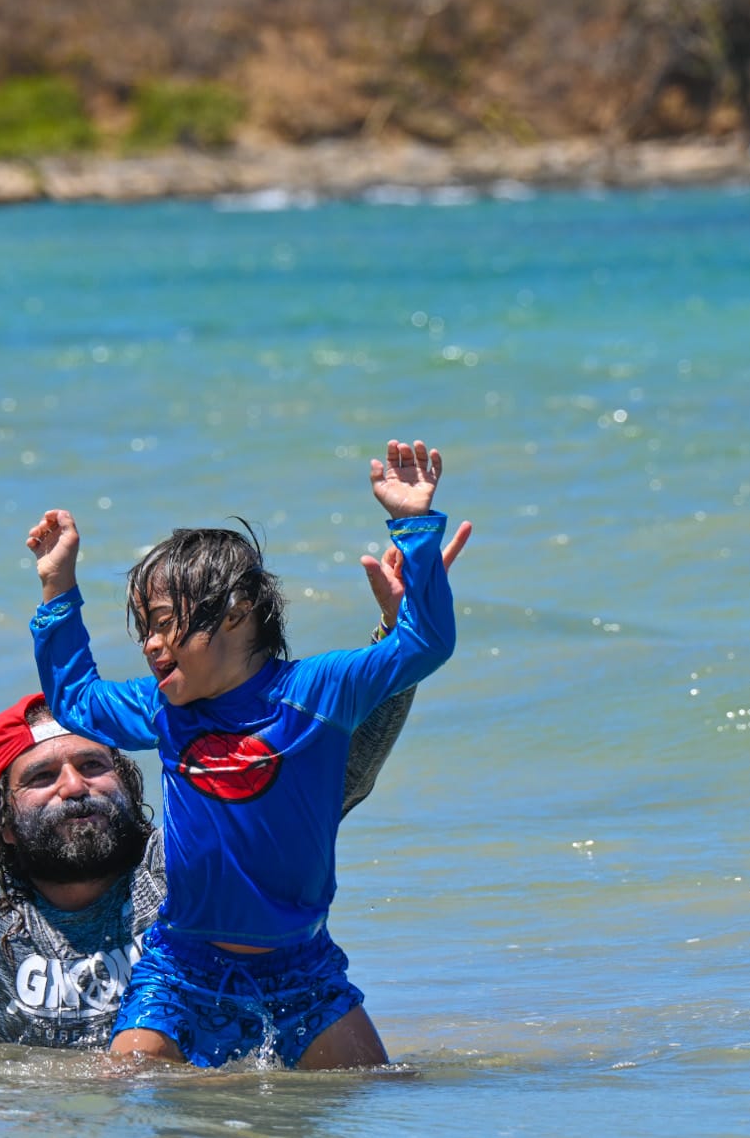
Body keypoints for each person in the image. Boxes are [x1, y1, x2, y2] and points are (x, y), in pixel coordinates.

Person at [0, 521, 468, 1052]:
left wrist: (394, 636)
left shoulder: (182, 867)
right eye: (42, 775)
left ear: (133, 781)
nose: (75, 784)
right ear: (2, 818)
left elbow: (326, 768)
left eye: (95, 764)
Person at [24, 439, 455, 1069]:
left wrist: (414, 528)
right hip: (181, 966)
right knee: (121, 1092)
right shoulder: (164, 709)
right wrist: (57, 584)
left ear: (236, 612)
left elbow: (426, 642)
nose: (149, 643)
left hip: (302, 969)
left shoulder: (317, 690)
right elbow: (77, 699)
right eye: (142, 627)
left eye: (164, 622)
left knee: (381, 1093)